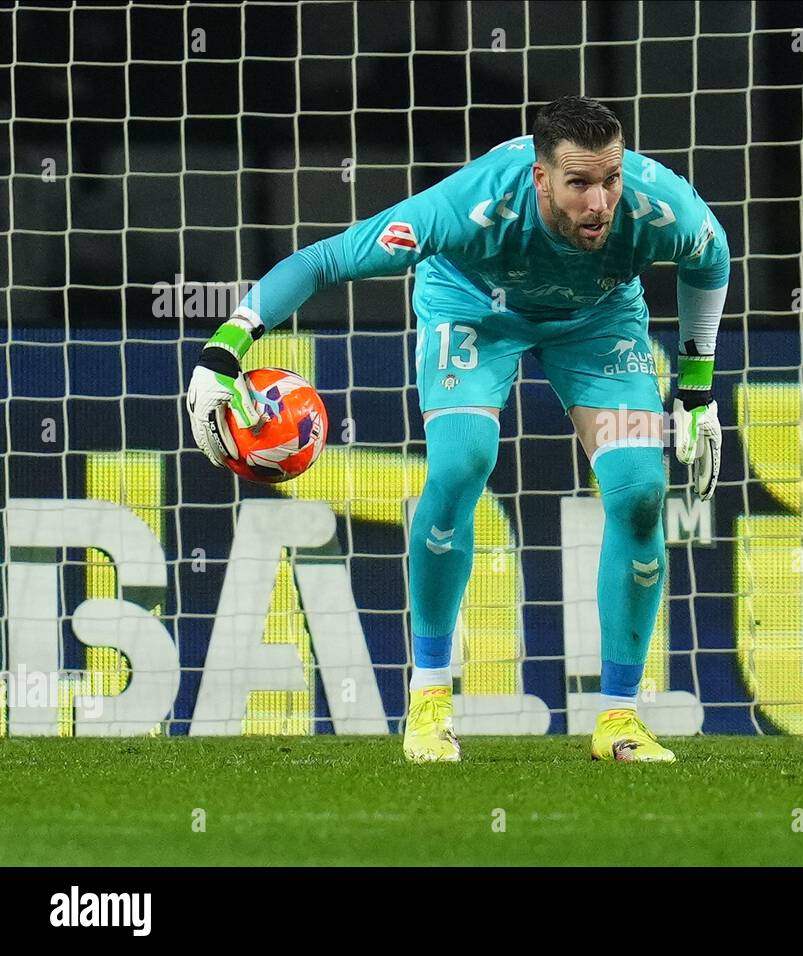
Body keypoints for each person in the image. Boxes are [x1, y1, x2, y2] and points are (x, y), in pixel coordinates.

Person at [186, 96, 728, 763]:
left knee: (641, 492)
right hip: (473, 311)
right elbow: (324, 261)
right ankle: (430, 699)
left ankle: (619, 717)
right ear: (539, 178)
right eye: (579, 183)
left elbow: (712, 258)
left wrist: (696, 387)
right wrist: (224, 349)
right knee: (461, 463)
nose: (601, 202)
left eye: (610, 179)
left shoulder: (658, 205)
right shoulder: (467, 208)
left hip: (599, 324)